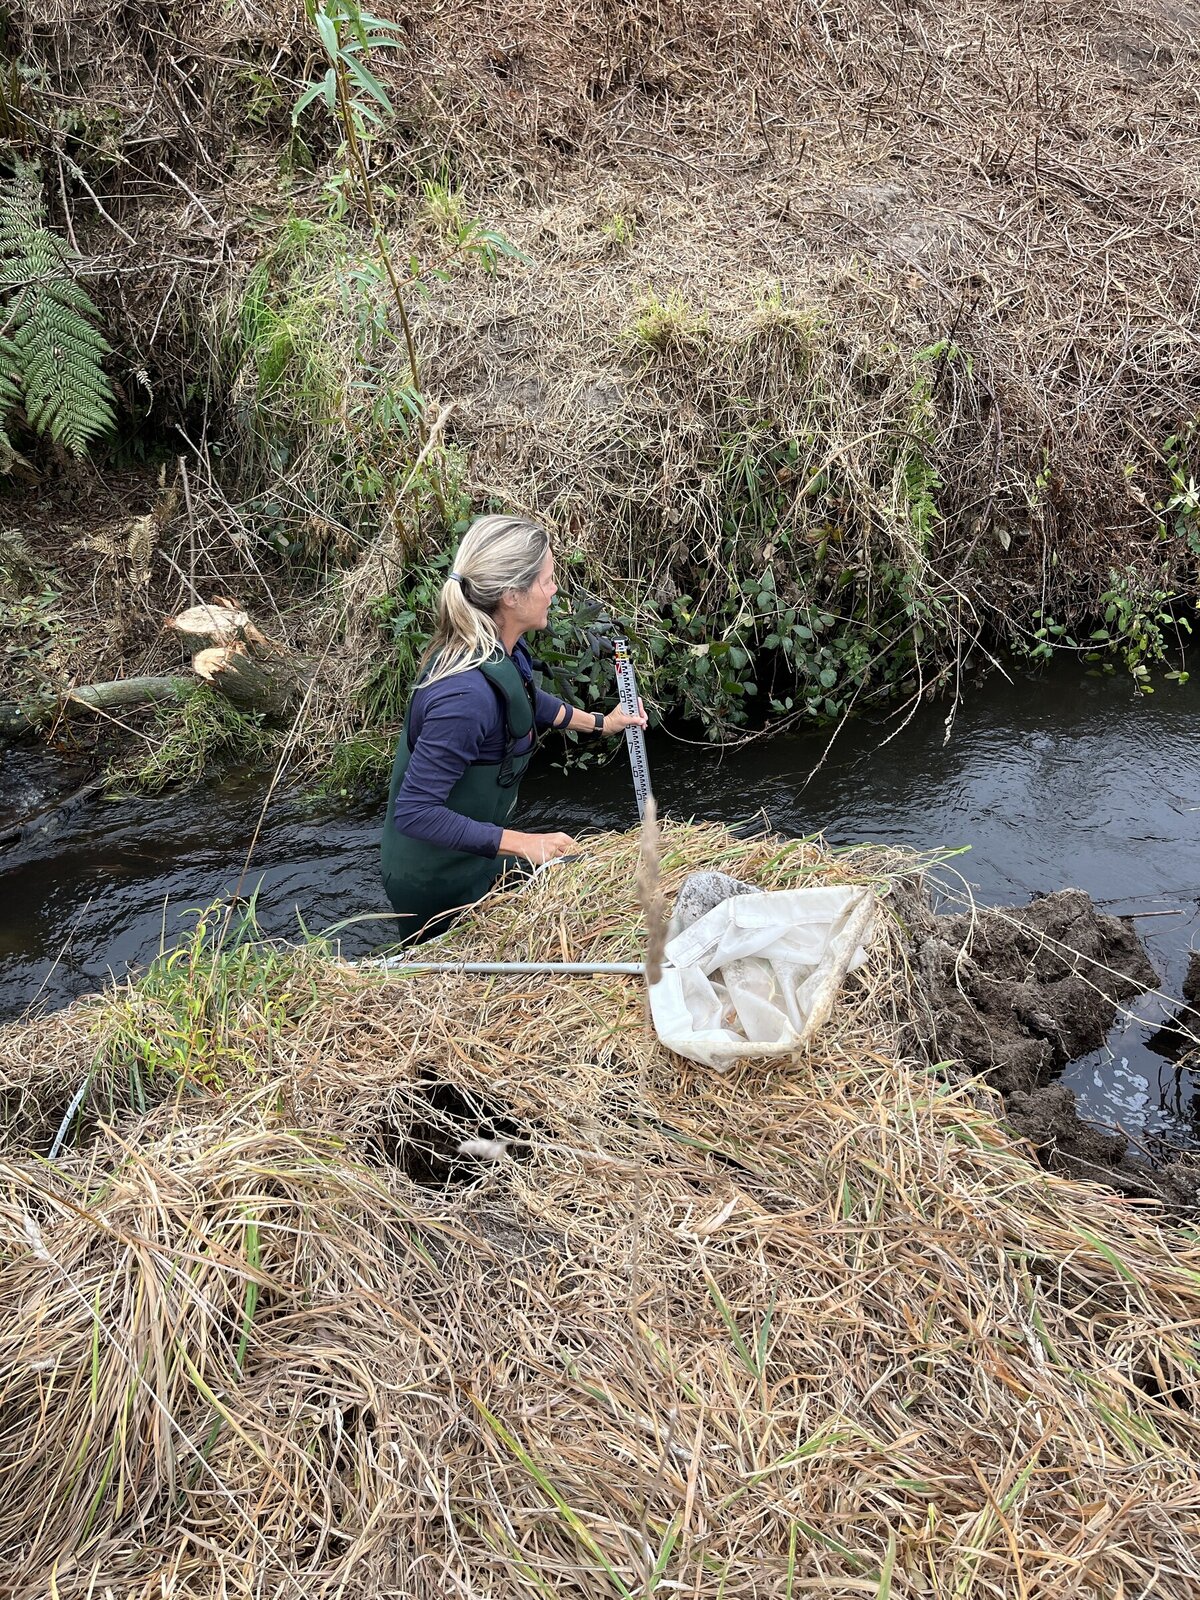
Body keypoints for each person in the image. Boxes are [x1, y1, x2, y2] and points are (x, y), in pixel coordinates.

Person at [381, 513, 647, 939]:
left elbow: (526, 702)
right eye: (546, 580)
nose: (554, 590)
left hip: (474, 853)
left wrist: (603, 723)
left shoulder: (497, 646)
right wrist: (527, 843)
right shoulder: (462, 699)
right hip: (433, 881)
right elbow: (416, 812)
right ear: (511, 595)